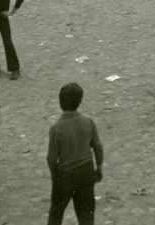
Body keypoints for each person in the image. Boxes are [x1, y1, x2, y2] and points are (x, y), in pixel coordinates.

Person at [46, 83, 103, 225]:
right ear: (79, 101)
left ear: (60, 102)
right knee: (86, 214)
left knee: (56, 213)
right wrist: (99, 167)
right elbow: (97, 146)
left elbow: (51, 158)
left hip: (65, 174)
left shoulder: (57, 128)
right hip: (86, 170)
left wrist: (54, 173)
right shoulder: (88, 121)